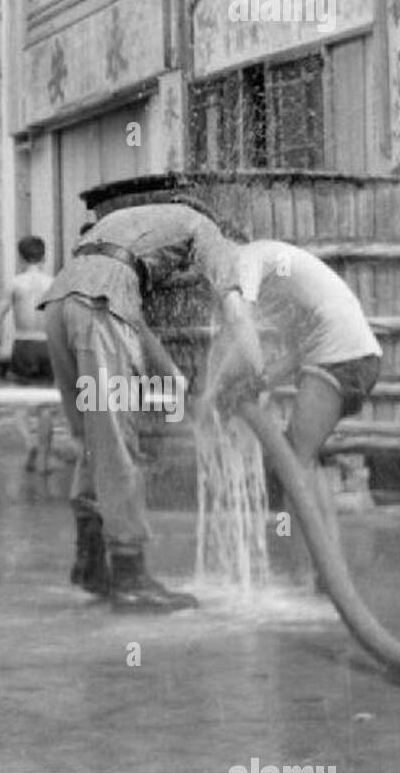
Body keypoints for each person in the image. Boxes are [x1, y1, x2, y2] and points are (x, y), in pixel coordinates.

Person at [41, 201, 264, 613]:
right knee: (117, 443)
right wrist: (255, 371)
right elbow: (234, 312)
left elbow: (132, 317)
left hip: (59, 304)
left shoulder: (137, 225)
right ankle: (130, 578)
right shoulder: (210, 234)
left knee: (94, 440)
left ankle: (90, 564)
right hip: (98, 310)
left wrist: (173, 377)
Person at [206, 238, 382, 577]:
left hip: (341, 356)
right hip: (357, 358)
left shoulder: (244, 259)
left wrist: (233, 385)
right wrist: (256, 383)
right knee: (303, 460)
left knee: (293, 460)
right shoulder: (284, 286)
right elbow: (294, 354)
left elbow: (238, 323)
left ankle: (310, 572)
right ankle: (326, 572)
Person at [0, 235, 57, 472]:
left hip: (24, 345)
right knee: (46, 407)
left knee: (17, 402)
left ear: (21, 258)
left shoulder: (15, 283)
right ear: (44, 256)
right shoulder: (53, 283)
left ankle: (30, 443)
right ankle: (43, 460)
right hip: (47, 345)